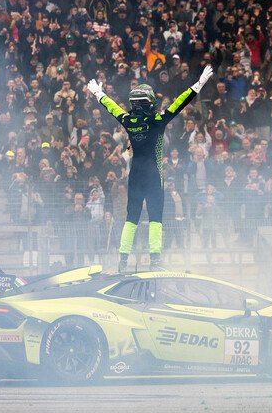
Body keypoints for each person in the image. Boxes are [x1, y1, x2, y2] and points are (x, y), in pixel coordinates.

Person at [87, 64, 213, 273]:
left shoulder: (128, 120)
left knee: (131, 218)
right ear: (150, 103)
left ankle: (122, 261)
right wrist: (198, 85)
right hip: (154, 175)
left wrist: (99, 93)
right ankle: (155, 260)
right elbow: (179, 104)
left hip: (134, 175)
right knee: (155, 217)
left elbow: (112, 108)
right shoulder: (157, 120)